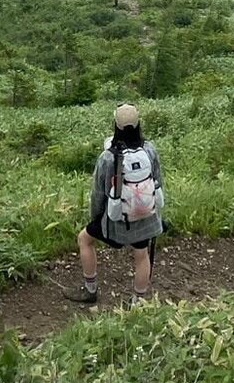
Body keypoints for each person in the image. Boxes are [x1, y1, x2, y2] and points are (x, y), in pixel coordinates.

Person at [68, 102, 164, 306]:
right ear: (138, 124)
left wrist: (96, 217)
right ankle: (138, 301)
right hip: (145, 218)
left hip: (115, 222)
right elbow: (158, 183)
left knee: (84, 239)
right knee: (141, 255)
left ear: (116, 126)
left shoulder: (108, 157)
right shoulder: (149, 150)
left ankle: (90, 289)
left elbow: (98, 194)